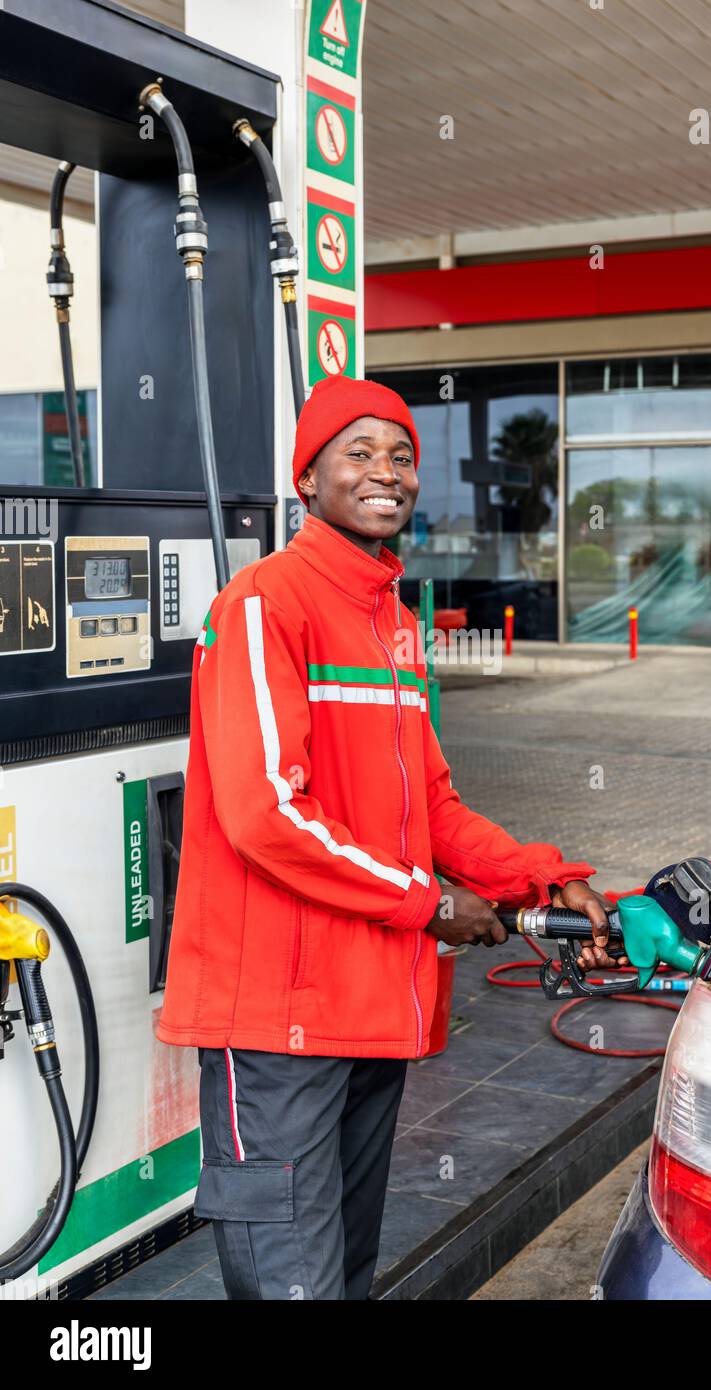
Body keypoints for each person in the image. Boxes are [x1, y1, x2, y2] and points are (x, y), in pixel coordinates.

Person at [156, 374, 616, 1301]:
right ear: (308, 480)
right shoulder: (262, 606)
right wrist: (430, 904)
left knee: (344, 1279)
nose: (386, 474)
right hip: (278, 1027)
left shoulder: (395, 627)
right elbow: (265, 815)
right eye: (357, 454)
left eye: (401, 456)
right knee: (293, 1285)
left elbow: (431, 807)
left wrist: (537, 879)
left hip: (368, 1008)